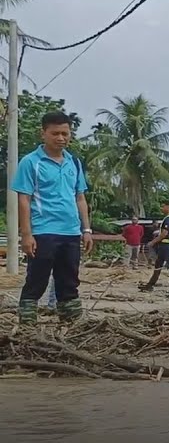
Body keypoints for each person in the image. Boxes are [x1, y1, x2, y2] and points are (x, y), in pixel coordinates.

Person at [11, 111, 94, 324]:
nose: (61, 138)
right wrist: (26, 235)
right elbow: (23, 200)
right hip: (43, 231)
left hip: (71, 232)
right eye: (55, 133)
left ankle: (71, 324)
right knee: (37, 279)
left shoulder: (74, 163)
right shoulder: (30, 162)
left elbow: (80, 198)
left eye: (65, 133)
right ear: (43, 133)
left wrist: (86, 230)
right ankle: (27, 326)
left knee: (69, 281)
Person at [140, 204, 169, 291]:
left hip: (167, 246)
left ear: (168, 207)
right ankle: (150, 284)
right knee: (158, 265)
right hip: (164, 246)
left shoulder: (168, 219)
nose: (161, 209)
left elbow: (164, 233)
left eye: (162, 207)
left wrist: (152, 242)